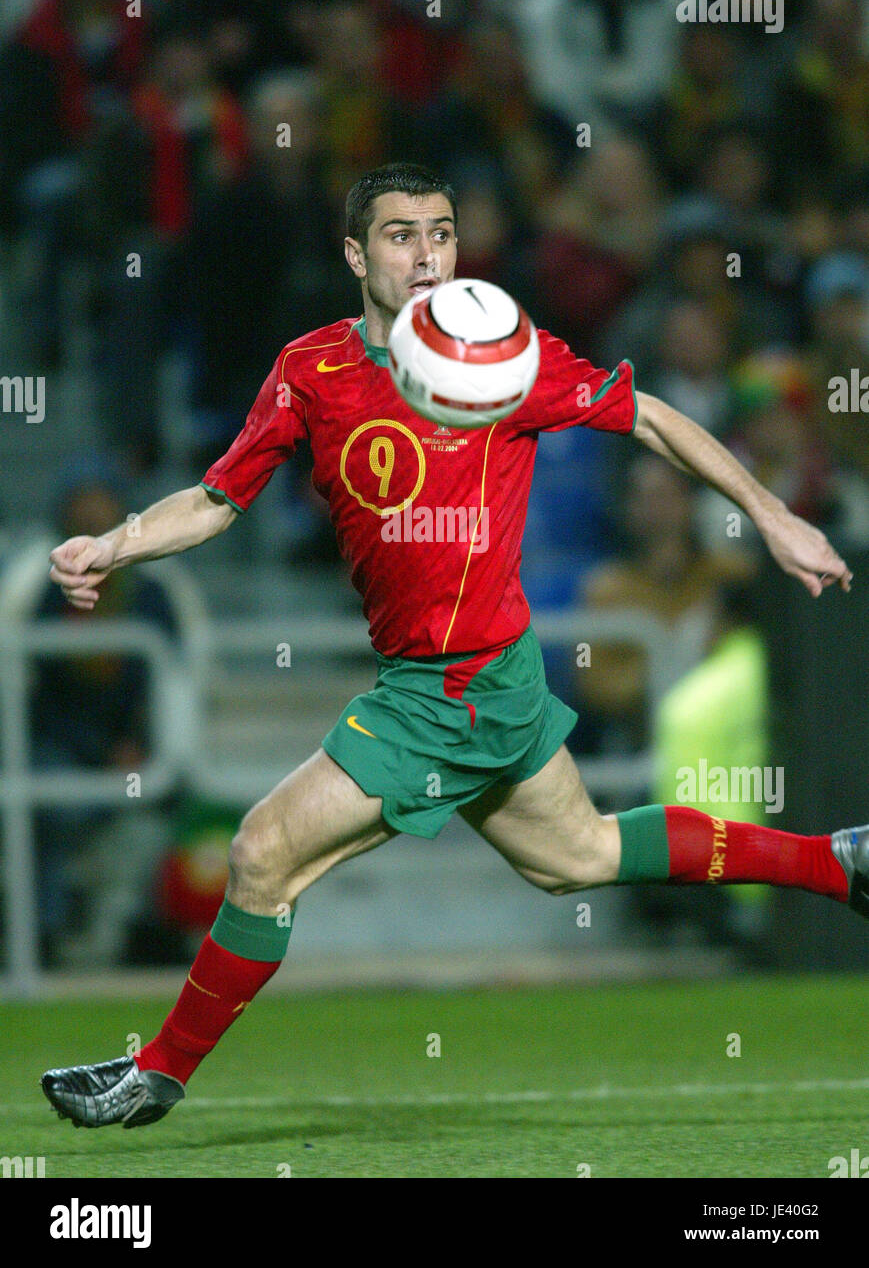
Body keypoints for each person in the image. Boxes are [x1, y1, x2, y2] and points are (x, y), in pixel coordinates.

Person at [41, 162, 865, 1130]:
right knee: (581, 854)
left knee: (262, 849)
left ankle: (159, 1074)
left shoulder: (500, 352)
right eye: (399, 235)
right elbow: (218, 498)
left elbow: (646, 413)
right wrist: (117, 540)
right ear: (355, 254)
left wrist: (769, 516)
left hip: (456, 686)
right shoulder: (311, 370)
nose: (425, 253)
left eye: (439, 231)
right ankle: (835, 861)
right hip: (467, 680)